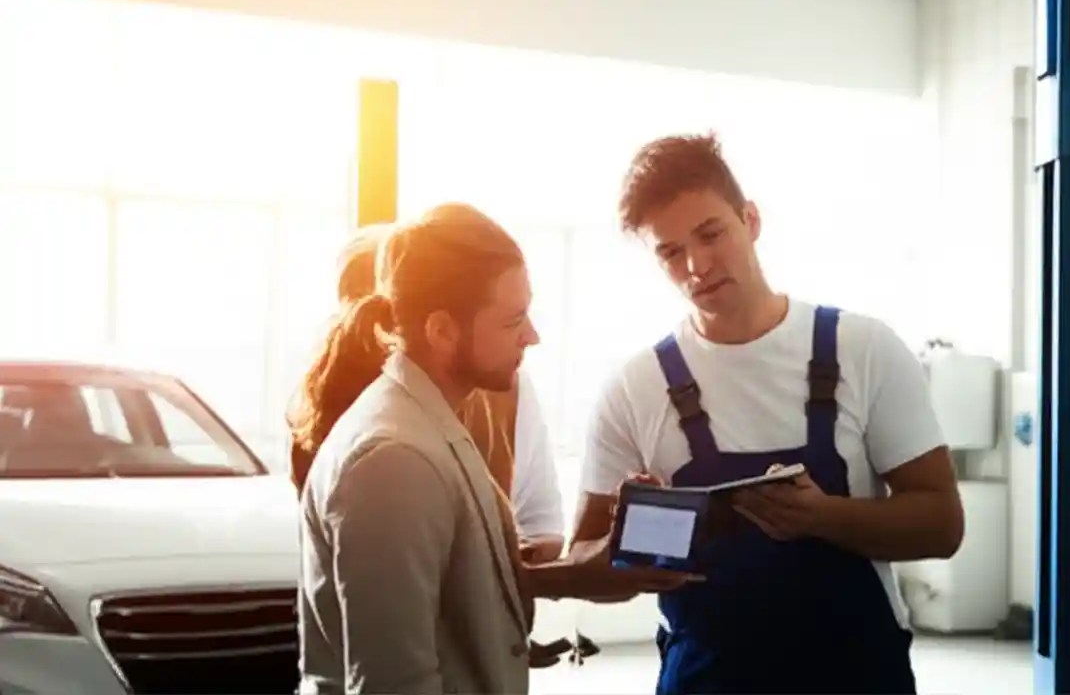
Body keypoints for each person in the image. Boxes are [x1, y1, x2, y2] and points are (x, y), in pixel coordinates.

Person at [570, 134, 966, 694]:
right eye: (670, 252)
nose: (696, 266)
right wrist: (630, 545)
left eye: (711, 234)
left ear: (749, 219)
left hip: (856, 675)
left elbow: (942, 525)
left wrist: (822, 517)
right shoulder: (636, 387)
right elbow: (586, 561)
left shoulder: (863, 349)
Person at [295, 204, 694, 695]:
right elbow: (394, 684)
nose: (533, 336)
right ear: (442, 331)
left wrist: (582, 572)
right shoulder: (392, 461)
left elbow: (453, 594)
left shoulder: (432, 421)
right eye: (512, 322)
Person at [287, 225, 564, 562]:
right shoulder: (383, 453)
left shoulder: (497, 382)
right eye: (512, 321)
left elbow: (537, 527)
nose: (529, 337)